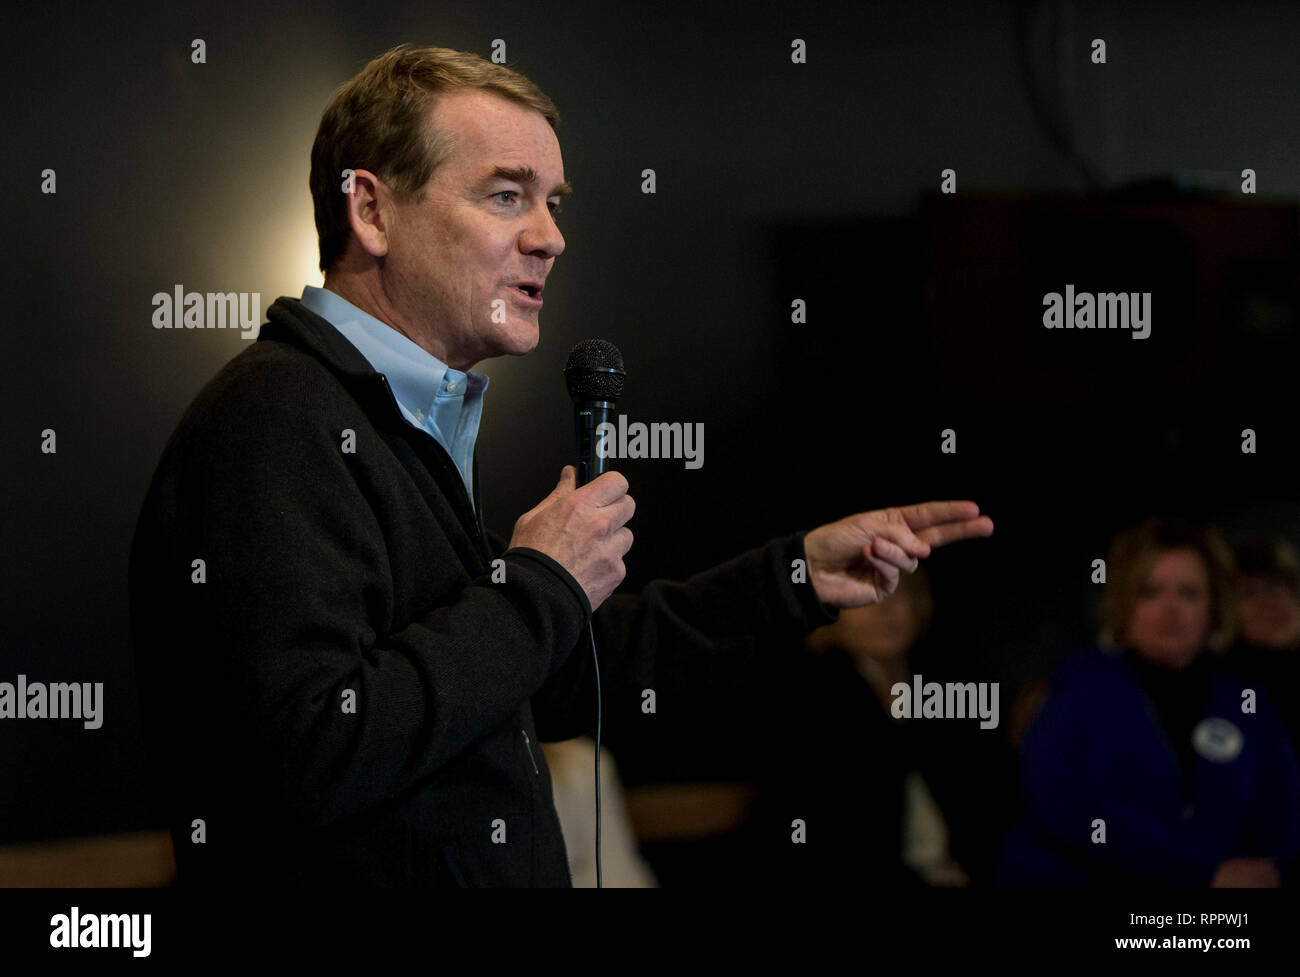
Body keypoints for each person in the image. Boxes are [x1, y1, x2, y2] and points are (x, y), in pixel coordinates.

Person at [128, 44, 993, 887]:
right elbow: (314, 747)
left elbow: (549, 672)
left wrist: (794, 575)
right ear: (371, 210)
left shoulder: (392, 420)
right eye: (507, 195)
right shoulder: (275, 416)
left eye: (553, 202)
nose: (551, 238)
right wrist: (539, 582)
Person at [997, 517, 1300, 887]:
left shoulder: (1246, 701)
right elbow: (1068, 812)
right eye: (1150, 592)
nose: (1171, 608)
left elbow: (1280, 817)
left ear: (1214, 604)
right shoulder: (1076, 686)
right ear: (1124, 601)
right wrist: (1201, 873)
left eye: (1189, 593)